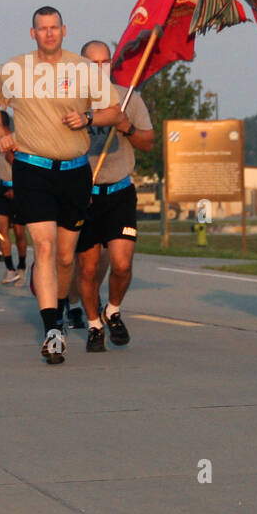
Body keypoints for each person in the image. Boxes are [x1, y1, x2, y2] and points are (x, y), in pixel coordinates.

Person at [0, 6, 120, 364]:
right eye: (42, 28)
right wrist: (1, 132)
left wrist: (88, 117)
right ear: (33, 34)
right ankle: (52, 329)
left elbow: (113, 112)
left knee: (64, 256)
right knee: (44, 247)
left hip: (74, 171)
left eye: (54, 27)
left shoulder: (83, 68)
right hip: (32, 168)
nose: (49, 33)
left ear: (64, 30)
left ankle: (56, 306)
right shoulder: (15, 68)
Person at [74, 40, 155, 352]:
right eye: (92, 63)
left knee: (121, 264)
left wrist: (126, 126)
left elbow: (148, 142)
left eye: (105, 62)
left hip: (119, 191)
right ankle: (94, 325)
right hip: (84, 194)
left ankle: (113, 310)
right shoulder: (70, 101)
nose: (99, 69)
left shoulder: (127, 98)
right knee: (89, 268)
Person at [0, 111, 27, 285]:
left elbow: (19, 163)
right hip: (2, 187)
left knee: (19, 232)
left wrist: (16, 187)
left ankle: (21, 264)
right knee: (1, 230)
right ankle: (9, 268)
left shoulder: (14, 138)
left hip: (17, 187)